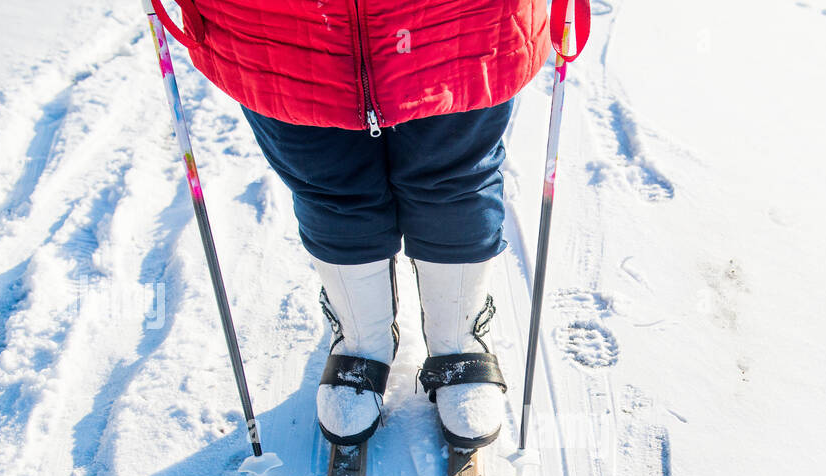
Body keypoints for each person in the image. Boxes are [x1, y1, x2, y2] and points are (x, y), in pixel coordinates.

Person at [149, 0, 550, 447]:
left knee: (454, 181)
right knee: (330, 190)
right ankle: (362, 340)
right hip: (277, 27)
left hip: (454, 20)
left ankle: (457, 336)